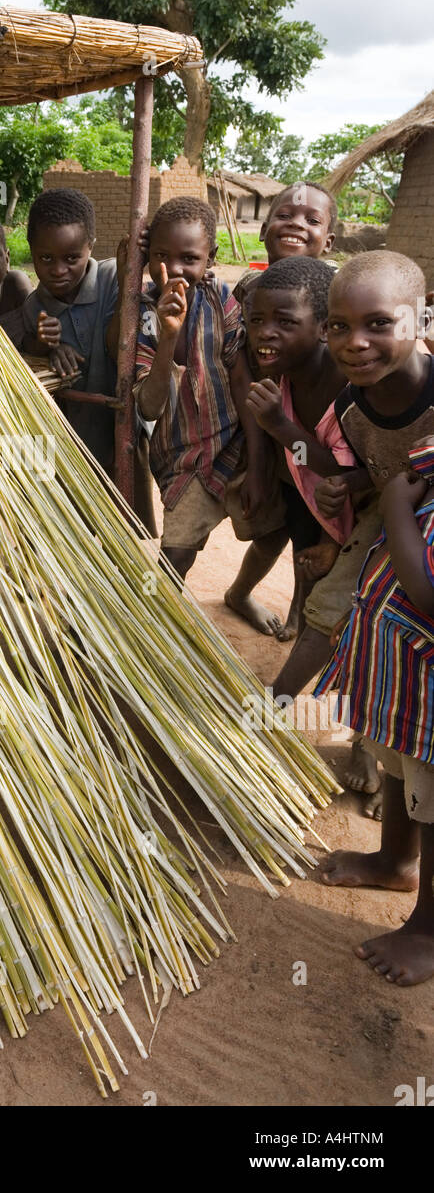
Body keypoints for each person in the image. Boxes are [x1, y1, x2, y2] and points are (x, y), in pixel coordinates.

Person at [273, 252, 434, 799]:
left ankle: (376, 749)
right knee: (335, 611)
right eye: (340, 326)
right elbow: (354, 468)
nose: (355, 341)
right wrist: (350, 484)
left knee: (407, 640)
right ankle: (275, 704)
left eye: (380, 324)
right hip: (386, 520)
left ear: (420, 321)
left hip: (425, 538)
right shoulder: (350, 408)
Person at [313, 435, 434, 986]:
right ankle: (393, 863)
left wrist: (393, 507)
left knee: (431, 795)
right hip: (402, 667)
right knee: (394, 760)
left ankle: (429, 930)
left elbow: (429, 593)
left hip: (430, 682)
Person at [132, 196, 284, 625]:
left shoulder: (222, 301)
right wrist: (166, 336)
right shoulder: (141, 313)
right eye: (161, 256)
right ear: (146, 257)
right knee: (177, 553)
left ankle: (240, 593)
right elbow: (148, 405)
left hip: (234, 439)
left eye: (189, 258)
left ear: (210, 259)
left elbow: (241, 382)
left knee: (274, 527)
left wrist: (256, 465)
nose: (174, 269)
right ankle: (151, 621)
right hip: (184, 455)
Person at [244, 256, 354, 635]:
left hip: (357, 503)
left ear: (324, 329)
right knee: (305, 555)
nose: (265, 333)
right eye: (257, 320)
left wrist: (279, 426)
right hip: (309, 497)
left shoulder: (345, 383)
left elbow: (339, 470)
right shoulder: (282, 371)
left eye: (285, 322)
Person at [11, 189, 119, 473]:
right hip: (72, 440)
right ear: (31, 249)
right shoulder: (34, 307)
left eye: (72, 258)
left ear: (91, 247)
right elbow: (32, 356)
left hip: (124, 434)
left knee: (130, 512)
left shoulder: (115, 278)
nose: (59, 270)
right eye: (46, 259)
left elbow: (125, 341)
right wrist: (47, 346)